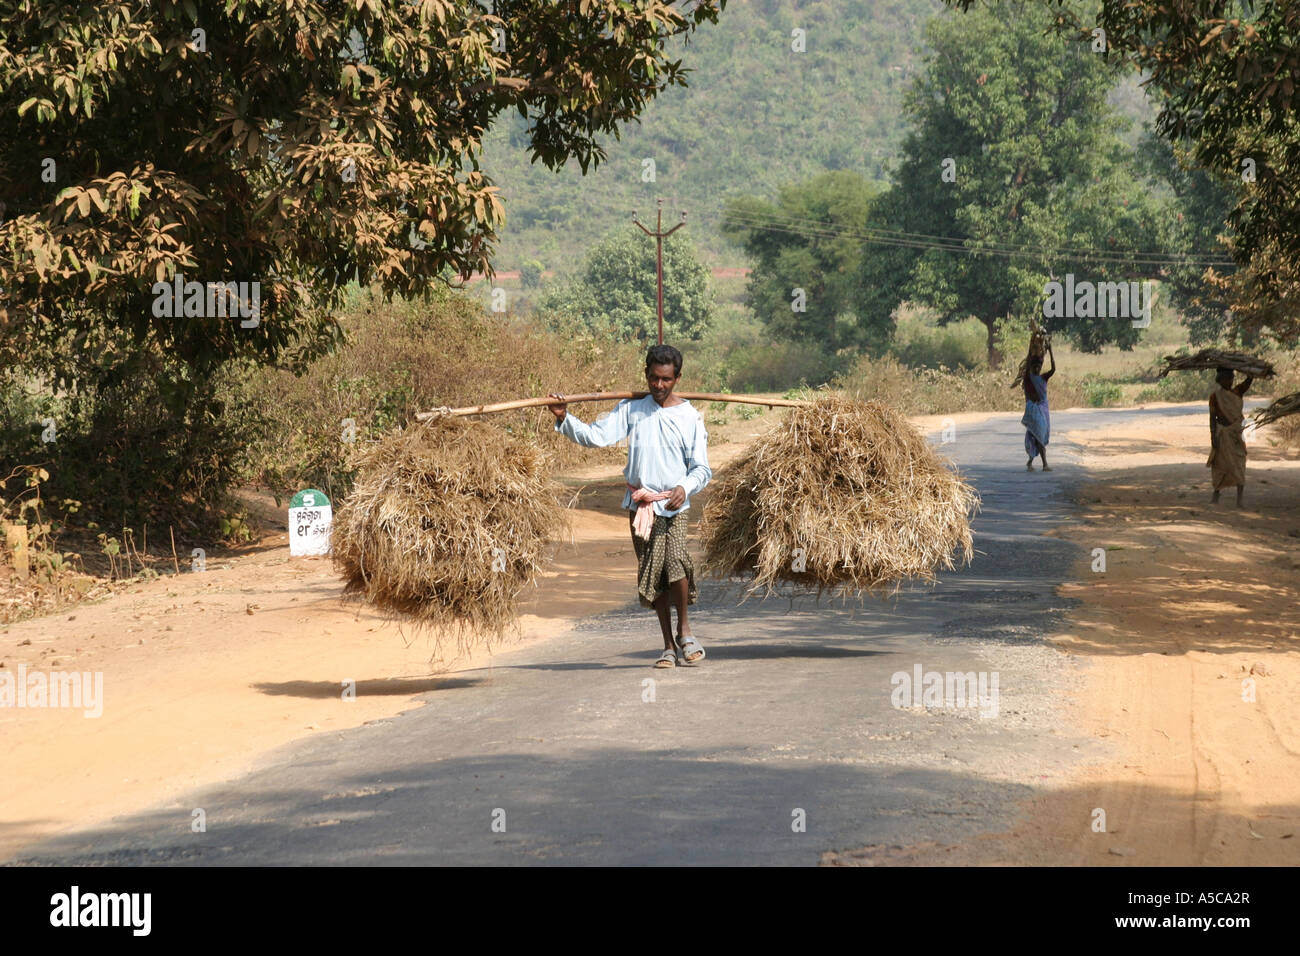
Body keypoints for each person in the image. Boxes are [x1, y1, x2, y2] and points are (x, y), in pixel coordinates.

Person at [547, 344, 712, 668]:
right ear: (646, 375)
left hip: (674, 504)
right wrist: (565, 417)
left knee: (676, 563)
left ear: (677, 378)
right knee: (653, 574)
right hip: (641, 507)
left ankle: (685, 631)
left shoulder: (690, 416)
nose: (659, 386)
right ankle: (667, 645)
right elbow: (596, 436)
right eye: (653, 378)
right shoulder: (631, 410)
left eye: (666, 379)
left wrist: (684, 487)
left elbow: (701, 469)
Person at [1208, 367, 1253, 506]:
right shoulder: (1214, 396)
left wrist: (1251, 371)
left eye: (1231, 378)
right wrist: (1213, 437)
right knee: (1219, 465)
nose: (1229, 381)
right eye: (1226, 378)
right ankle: (1216, 494)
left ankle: (1239, 500)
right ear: (1219, 380)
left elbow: (1248, 380)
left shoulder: (1238, 391)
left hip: (1236, 434)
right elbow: (1212, 418)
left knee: (1239, 464)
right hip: (1222, 434)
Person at [1022, 345, 1055, 471]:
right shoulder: (1028, 379)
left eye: (1038, 366)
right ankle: (1045, 464)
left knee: (1037, 435)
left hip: (1043, 410)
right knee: (1038, 436)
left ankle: (1030, 462)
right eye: (1034, 366)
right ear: (1030, 367)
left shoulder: (1043, 378)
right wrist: (1031, 351)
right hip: (1033, 410)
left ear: (1041, 367)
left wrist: (1051, 352)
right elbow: (1026, 369)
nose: (1036, 368)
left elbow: (1053, 369)